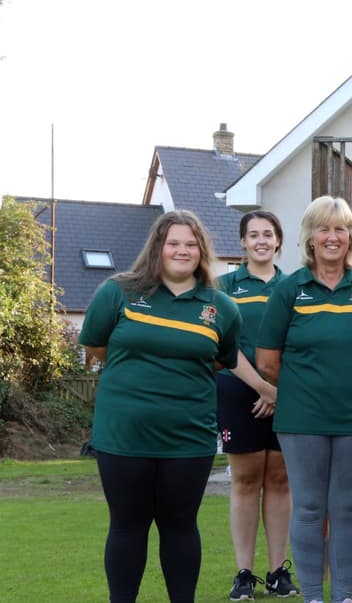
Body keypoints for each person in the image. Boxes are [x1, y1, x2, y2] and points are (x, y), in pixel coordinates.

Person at [79, 210, 241, 603]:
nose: (182, 251)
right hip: (123, 438)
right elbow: (96, 346)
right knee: (127, 527)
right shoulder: (118, 292)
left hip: (188, 440)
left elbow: (221, 360)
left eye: (191, 244)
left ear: (202, 251)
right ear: (158, 247)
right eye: (174, 243)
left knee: (181, 527)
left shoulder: (221, 307)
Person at [256, 196, 352, 603]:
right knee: (310, 509)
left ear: (350, 237)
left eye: (341, 229)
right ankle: (314, 596)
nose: (333, 237)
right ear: (310, 238)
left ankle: (344, 596)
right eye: (324, 228)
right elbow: (267, 361)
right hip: (301, 420)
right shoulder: (289, 289)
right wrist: (306, 388)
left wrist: (344, 385)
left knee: (348, 508)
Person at [216, 210, 300, 599]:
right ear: (243, 242)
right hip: (237, 391)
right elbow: (222, 347)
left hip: (286, 394)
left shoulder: (295, 285)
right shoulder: (224, 286)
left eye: (268, 234)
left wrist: (276, 388)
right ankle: (244, 573)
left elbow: (299, 345)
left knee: (281, 481)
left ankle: (277, 572)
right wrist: (261, 387)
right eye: (254, 234)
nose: (261, 240)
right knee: (247, 481)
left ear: (279, 241)